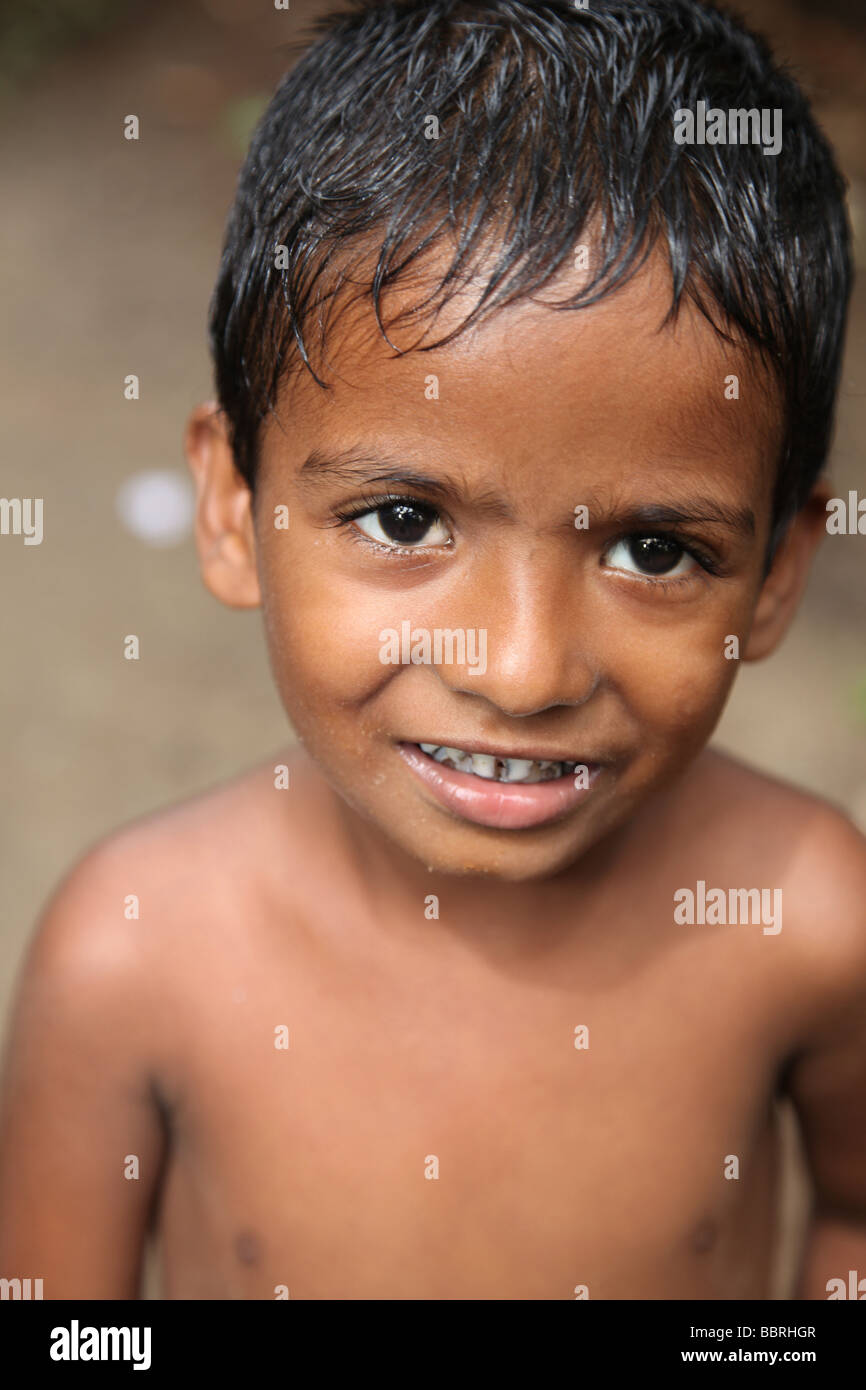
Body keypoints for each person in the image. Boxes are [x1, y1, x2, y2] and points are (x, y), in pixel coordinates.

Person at [1, 0, 864, 1300]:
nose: (520, 671)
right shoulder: (131, 953)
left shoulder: (807, 920)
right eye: (404, 520)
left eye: (651, 550)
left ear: (776, 572)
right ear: (233, 506)